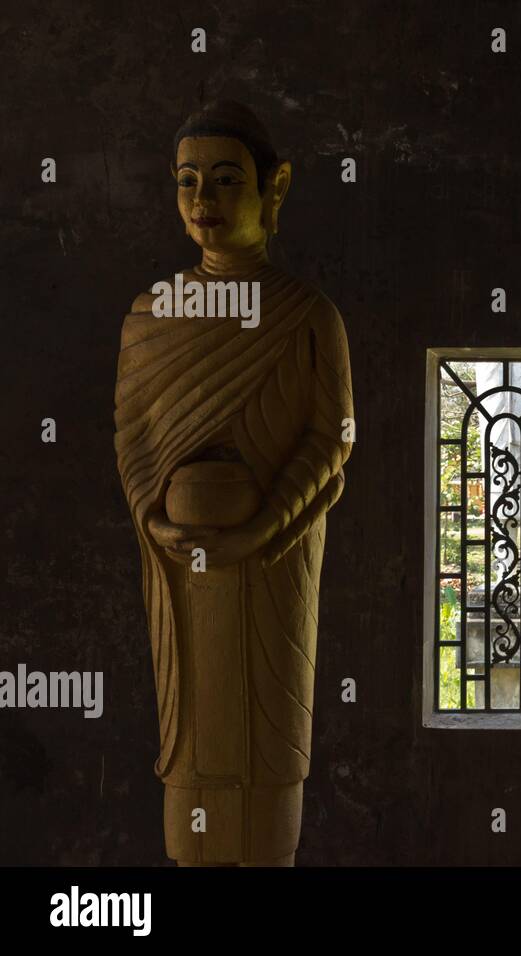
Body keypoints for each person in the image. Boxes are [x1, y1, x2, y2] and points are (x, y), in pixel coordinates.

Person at [114, 100, 353, 865]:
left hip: (276, 566)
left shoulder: (310, 317)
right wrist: (156, 523)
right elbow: (136, 444)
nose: (203, 203)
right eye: (187, 182)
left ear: (274, 190)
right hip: (184, 578)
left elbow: (333, 440)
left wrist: (264, 525)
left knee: (270, 747)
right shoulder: (152, 315)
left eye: (224, 180)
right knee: (196, 747)